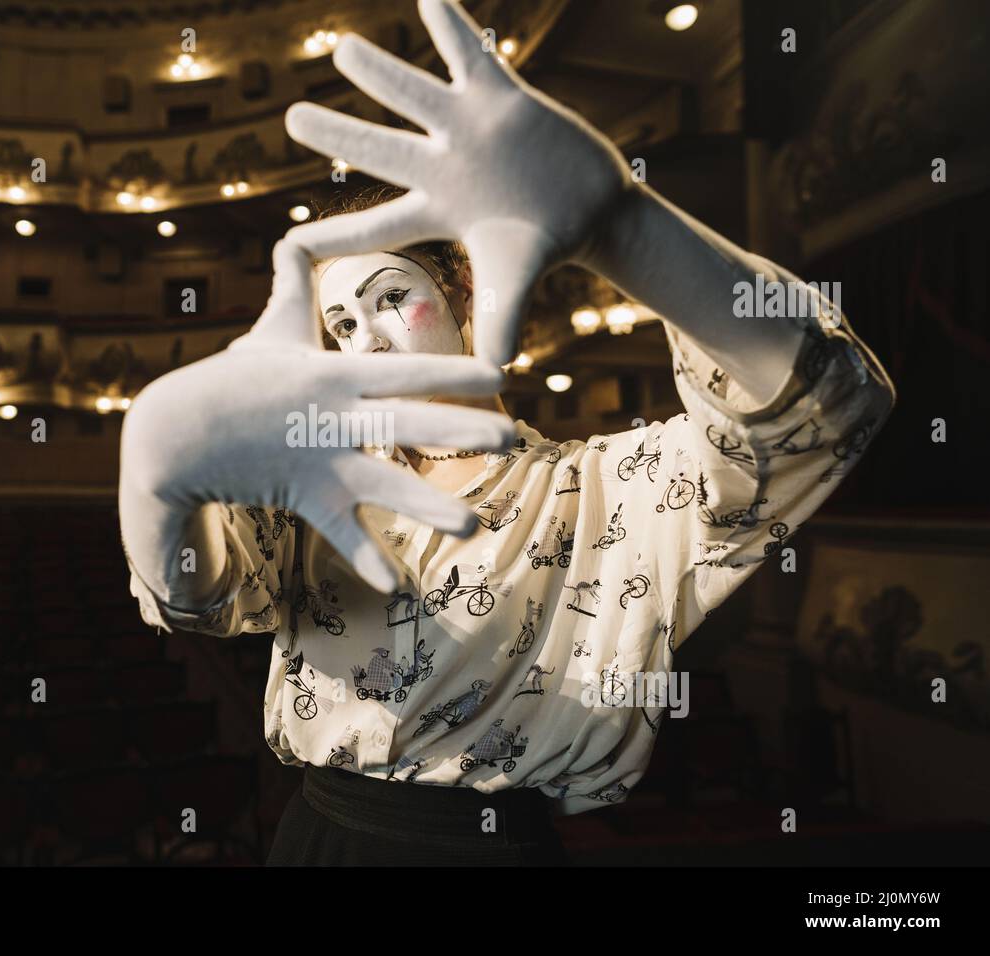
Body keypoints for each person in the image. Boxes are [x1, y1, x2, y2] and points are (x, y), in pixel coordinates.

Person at [118, 0, 896, 866]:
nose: (365, 337)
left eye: (387, 297)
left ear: (460, 292)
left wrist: (626, 228)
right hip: (317, 836)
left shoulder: (608, 493)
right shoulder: (313, 475)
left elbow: (825, 410)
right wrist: (154, 472)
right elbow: (202, 596)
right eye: (338, 323)